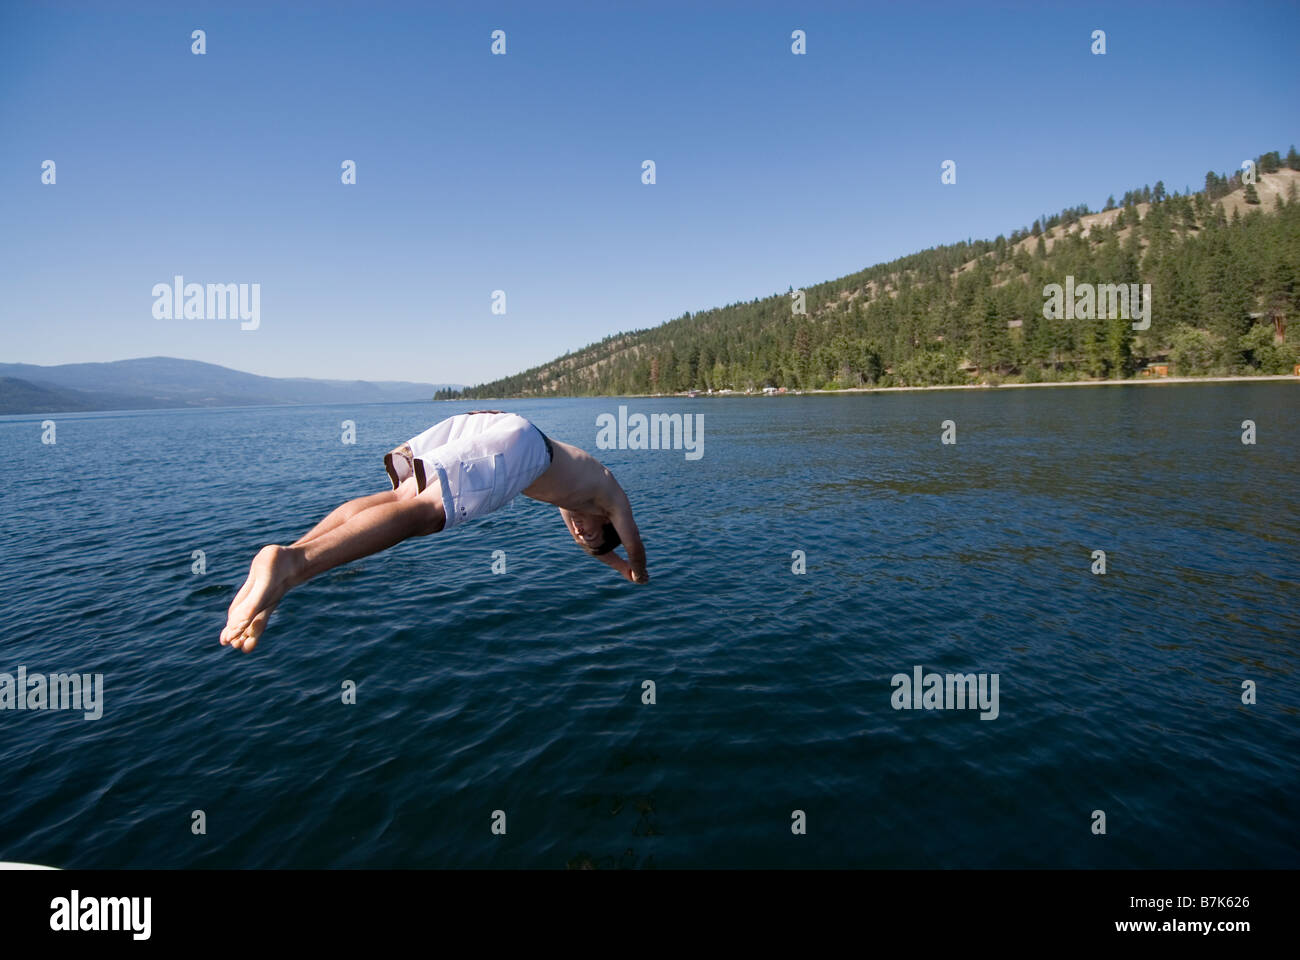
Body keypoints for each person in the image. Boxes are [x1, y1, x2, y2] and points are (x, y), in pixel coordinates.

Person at [220, 410, 648, 652]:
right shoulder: (611, 493)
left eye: (583, 539)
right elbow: (633, 544)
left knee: (397, 500)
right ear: (606, 519)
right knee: (426, 514)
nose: (582, 534)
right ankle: (293, 566)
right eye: (593, 533)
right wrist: (636, 573)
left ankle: (285, 563)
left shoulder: (575, 502)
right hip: (524, 446)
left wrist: (604, 559)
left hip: (494, 425)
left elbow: (602, 549)